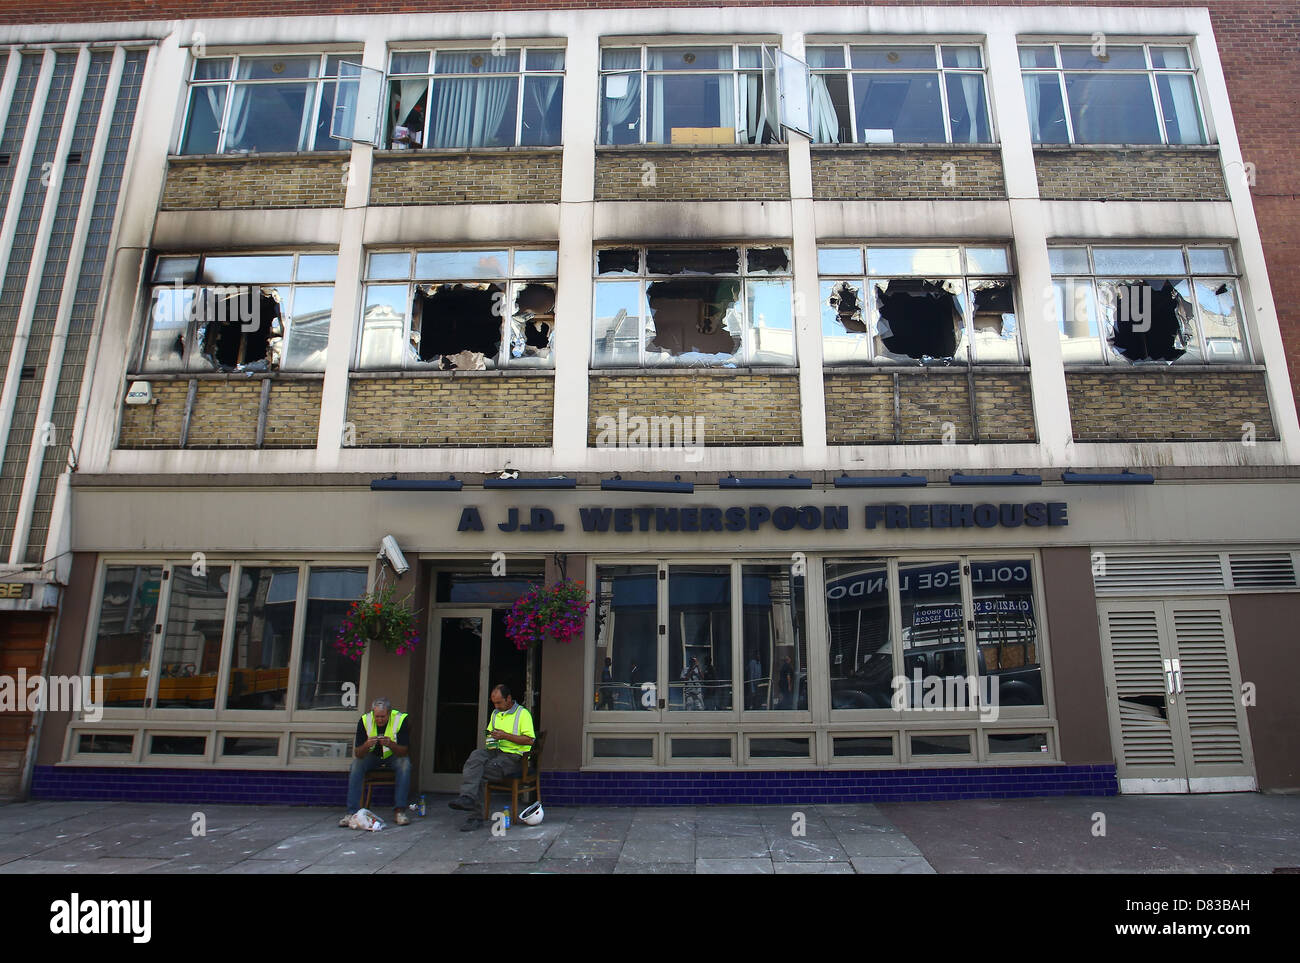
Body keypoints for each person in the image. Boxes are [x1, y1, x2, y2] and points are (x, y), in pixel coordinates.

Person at [448, 684, 535, 831]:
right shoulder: (495, 713)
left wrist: (505, 736)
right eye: (494, 703)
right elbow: (490, 736)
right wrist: (491, 739)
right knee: (475, 756)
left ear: (508, 699)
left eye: (499, 702)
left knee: (479, 773)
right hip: (496, 751)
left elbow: (529, 740)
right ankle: (467, 798)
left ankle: (475, 816)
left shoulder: (523, 714)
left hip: (514, 757)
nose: (496, 706)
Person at [340, 697, 411, 827]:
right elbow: (358, 753)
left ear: (389, 713)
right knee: (356, 765)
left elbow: (404, 752)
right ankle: (352, 813)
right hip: (372, 756)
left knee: (405, 764)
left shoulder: (400, 719)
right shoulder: (365, 720)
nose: (379, 719)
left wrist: (391, 744)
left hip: (393, 756)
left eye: (383, 716)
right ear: (373, 713)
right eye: (377, 716)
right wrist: (367, 745)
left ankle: (399, 811)